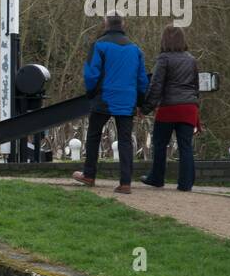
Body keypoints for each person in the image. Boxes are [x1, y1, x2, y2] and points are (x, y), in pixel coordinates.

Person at [72, 13, 149, 194]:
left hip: (104, 98)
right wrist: (140, 103)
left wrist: (91, 93)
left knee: (93, 135)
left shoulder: (99, 45)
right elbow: (142, 80)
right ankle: (125, 183)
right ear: (123, 24)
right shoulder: (135, 49)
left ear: (105, 24)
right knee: (125, 141)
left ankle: (89, 175)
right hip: (127, 100)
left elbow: (91, 74)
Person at [140, 25, 200, 191]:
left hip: (169, 107)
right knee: (185, 146)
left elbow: (156, 85)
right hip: (189, 107)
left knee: (160, 143)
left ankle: (157, 178)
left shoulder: (164, 59)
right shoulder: (191, 59)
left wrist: (145, 108)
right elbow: (196, 86)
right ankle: (186, 183)